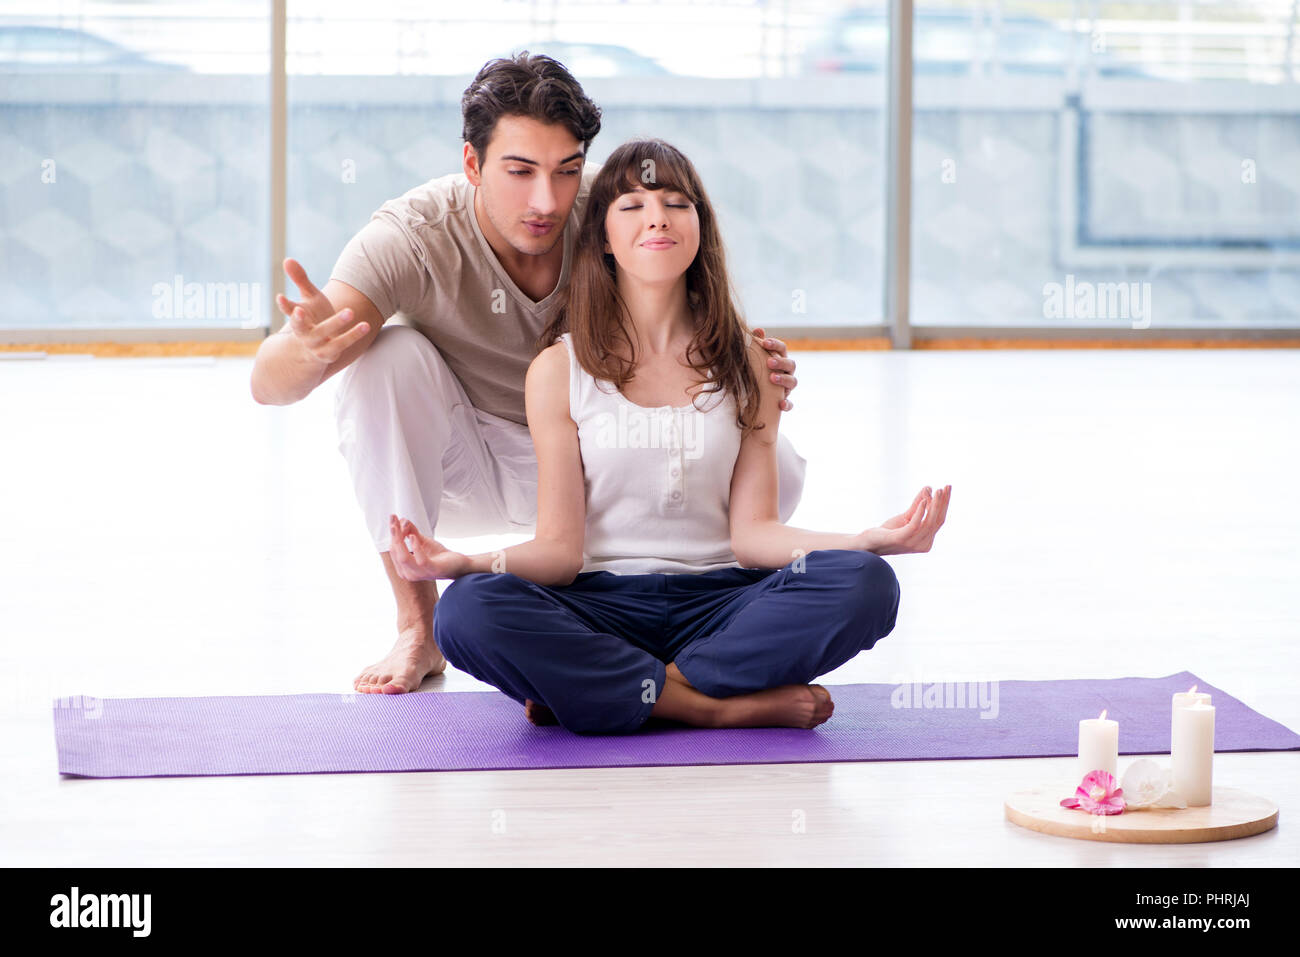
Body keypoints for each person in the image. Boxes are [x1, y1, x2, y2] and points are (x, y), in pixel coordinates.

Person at [249, 53, 805, 695]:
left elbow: (691, 313)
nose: (547, 201)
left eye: (566, 172)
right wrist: (311, 351)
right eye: (519, 172)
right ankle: (417, 629)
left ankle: (671, 609)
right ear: (472, 164)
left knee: (779, 465)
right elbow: (267, 386)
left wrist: (749, 364)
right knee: (385, 358)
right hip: (476, 465)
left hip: (605, 466)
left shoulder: (615, 207)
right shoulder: (413, 235)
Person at [388, 138, 952, 734]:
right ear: (603, 237)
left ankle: (610, 691)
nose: (657, 216)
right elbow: (558, 552)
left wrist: (865, 540)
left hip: (722, 601)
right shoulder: (558, 370)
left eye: (676, 203)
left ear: (699, 227)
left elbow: (755, 537)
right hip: (599, 602)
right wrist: (466, 562)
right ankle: (710, 706)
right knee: (469, 610)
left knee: (864, 584)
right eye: (631, 205)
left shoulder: (751, 363)